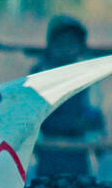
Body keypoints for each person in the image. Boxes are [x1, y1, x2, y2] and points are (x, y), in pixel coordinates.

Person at [32, 15, 105, 178]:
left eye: (72, 43)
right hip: (44, 157)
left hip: (78, 157)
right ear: (50, 45)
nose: (66, 49)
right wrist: (70, 123)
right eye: (61, 43)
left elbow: (94, 118)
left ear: (81, 47)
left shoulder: (88, 78)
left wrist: (83, 123)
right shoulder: (38, 76)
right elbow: (34, 119)